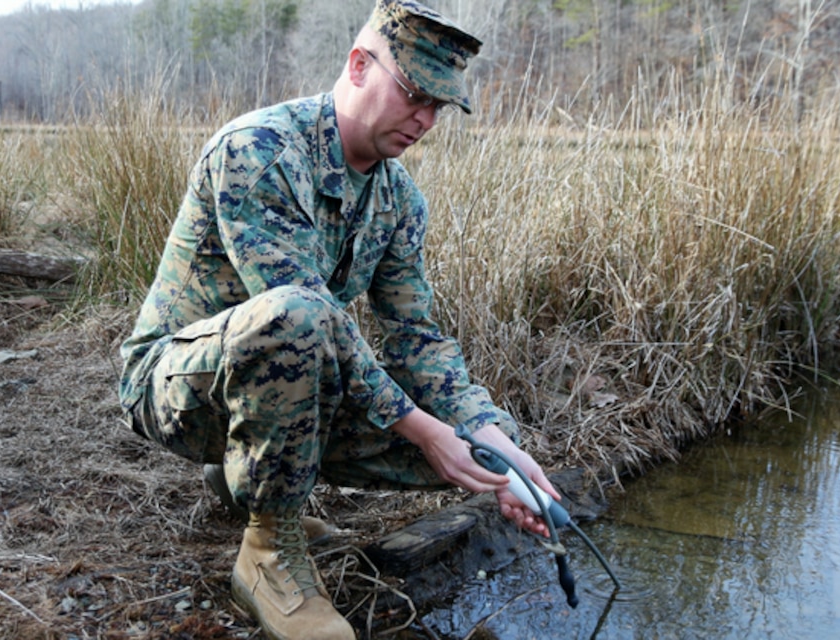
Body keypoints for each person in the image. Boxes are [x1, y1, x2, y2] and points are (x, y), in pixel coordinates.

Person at [117, 1, 559, 638]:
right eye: (415, 95)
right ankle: (268, 551)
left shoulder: (399, 197)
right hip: (174, 385)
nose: (426, 119)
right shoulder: (259, 151)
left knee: (472, 457)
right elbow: (303, 315)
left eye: (440, 106)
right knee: (299, 321)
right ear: (358, 65)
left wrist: (495, 443)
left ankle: (248, 476)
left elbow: (416, 338)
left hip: (273, 386)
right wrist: (421, 428)